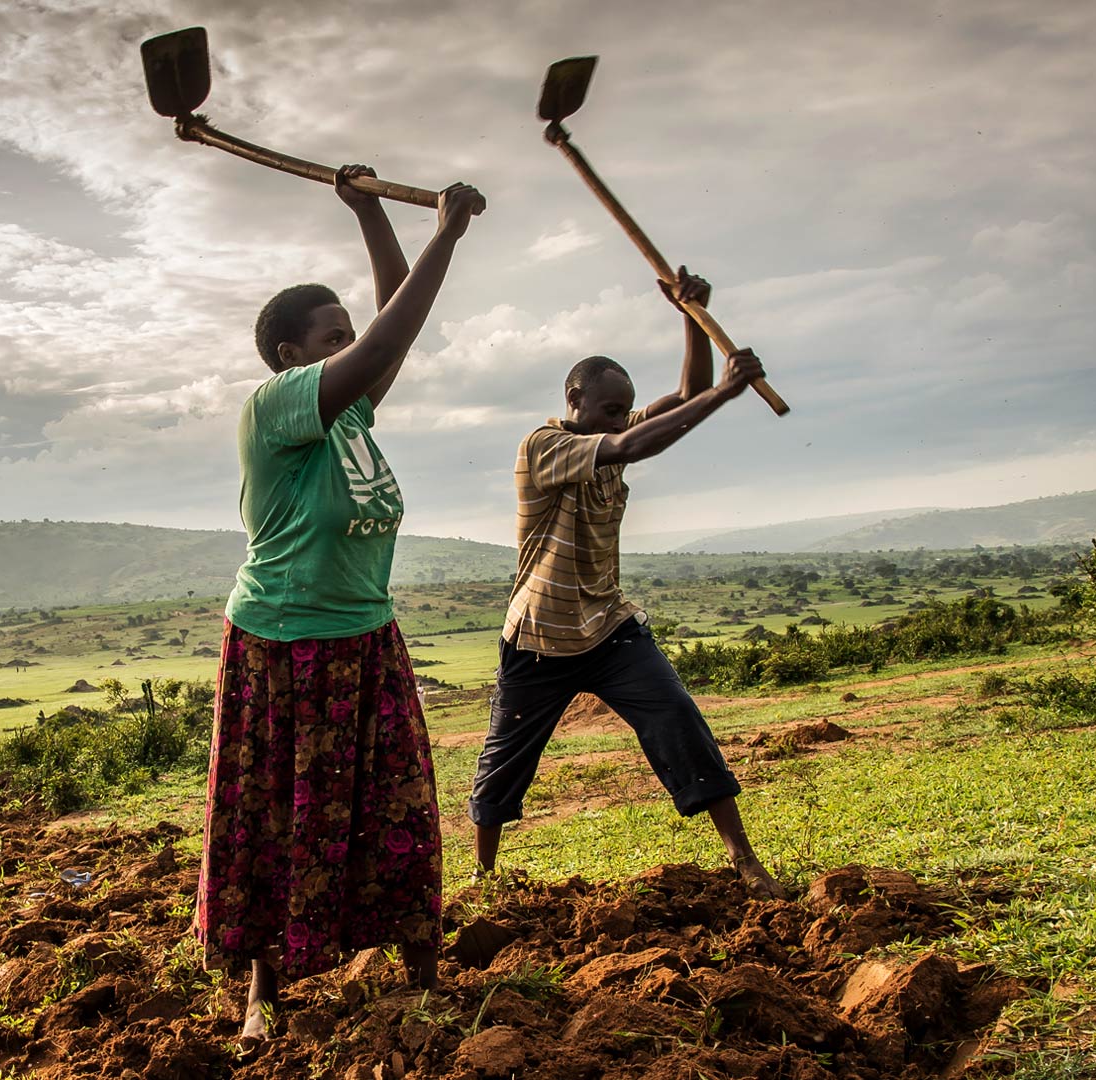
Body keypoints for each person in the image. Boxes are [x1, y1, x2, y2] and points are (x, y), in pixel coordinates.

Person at [195, 166, 487, 1041]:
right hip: (286, 647)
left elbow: (391, 326)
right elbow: (388, 337)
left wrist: (368, 214)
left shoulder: (350, 412)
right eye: (331, 338)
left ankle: (427, 979)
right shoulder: (282, 405)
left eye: (348, 335)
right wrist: (446, 235)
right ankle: (263, 996)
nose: (351, 345)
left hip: (367, 636)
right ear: (291, 355)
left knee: (397, 803)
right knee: (279, 818)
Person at [467, 268, 789, 901]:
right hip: (540, 638)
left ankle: (744, 860)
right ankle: (484, 879)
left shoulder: (611, 432)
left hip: (610, 627)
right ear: (574, 399)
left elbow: (683, 397)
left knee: (677, 719)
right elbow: (637, 442)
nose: (618, 417)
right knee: (505, 764)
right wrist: (726, 395)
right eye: (609, 409)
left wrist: (690, 315)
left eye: (621, 409)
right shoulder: (546, 445)